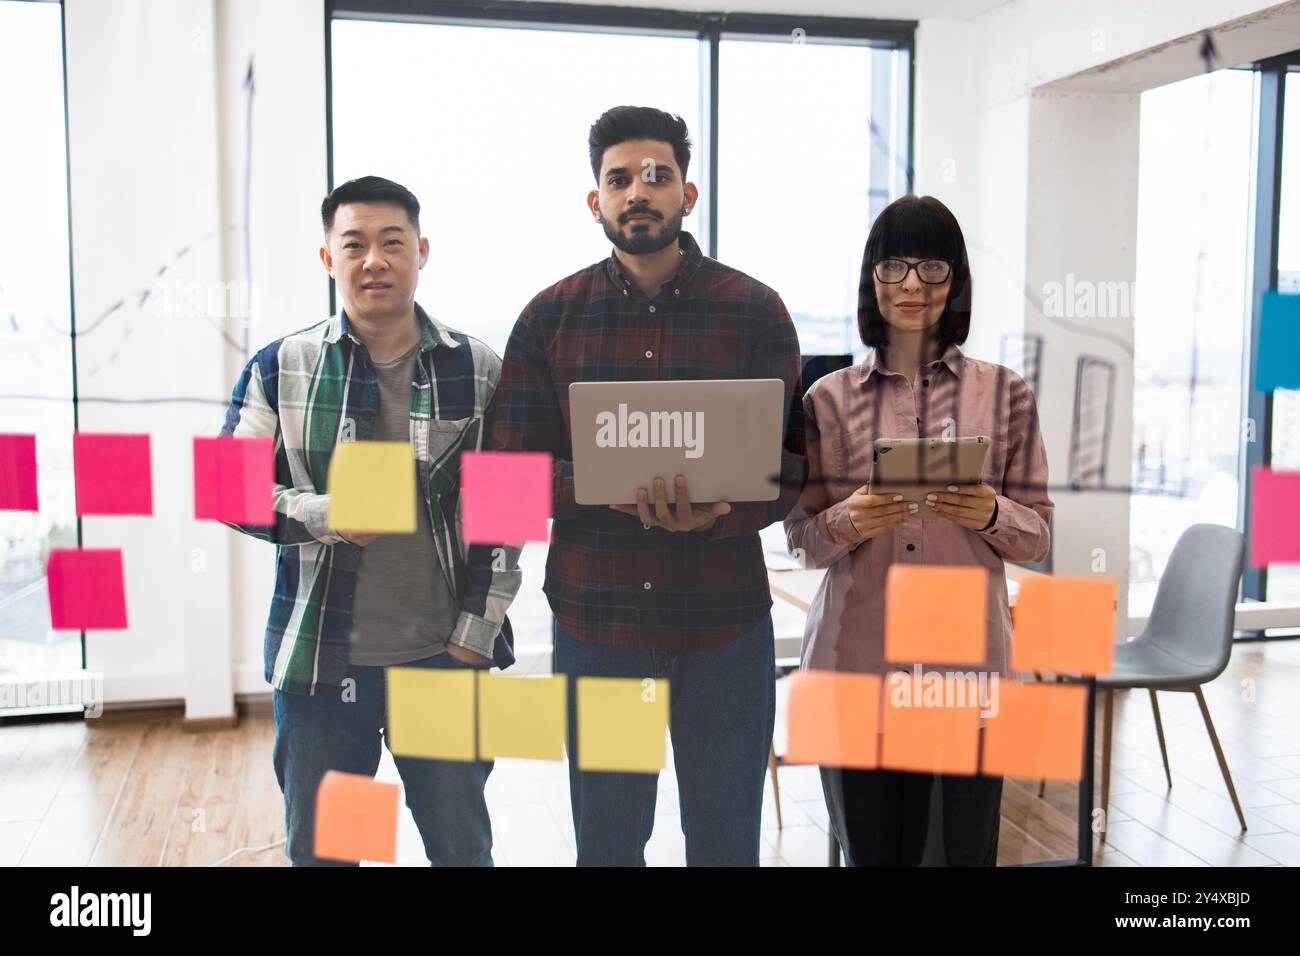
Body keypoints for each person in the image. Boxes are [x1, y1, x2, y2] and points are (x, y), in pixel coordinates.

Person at [480, 106, 805, 865]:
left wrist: (721, 514)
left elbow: (793, 467)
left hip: (723, 626)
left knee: (726, 843)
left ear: (688, 194)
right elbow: (500, 486)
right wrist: (603, 485)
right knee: (610, 842)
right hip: (602, 627)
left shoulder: (754, 311)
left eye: (658, 176)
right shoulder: (548, 318)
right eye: (619, 178)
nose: (639, 192)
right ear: (595, 201)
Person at [219, 175, 521, 866]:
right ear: (328, 258)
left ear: (422, 251)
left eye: (392, 243)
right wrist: (326, 514)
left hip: (442, 660)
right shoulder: (280, 366)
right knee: (330, 853)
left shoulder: (478, 370)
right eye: (353, 244)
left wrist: (476, 638)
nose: (373, 261)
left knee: (461, 848)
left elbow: (509, 514)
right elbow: (225, 491)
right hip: (322, 667)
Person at [784, 194, 1052, 866]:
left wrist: (990, 512)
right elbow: (801, 540)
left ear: (956, 282)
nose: (910, 285)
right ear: (870, 281)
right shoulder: (827, 398)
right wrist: (851, 518)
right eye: (892, 267)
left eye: (932, 268)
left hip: (967, 668)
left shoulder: (1007, 393)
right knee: (873, 852)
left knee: (963, 850)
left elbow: (1039, 536)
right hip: (855, 663)